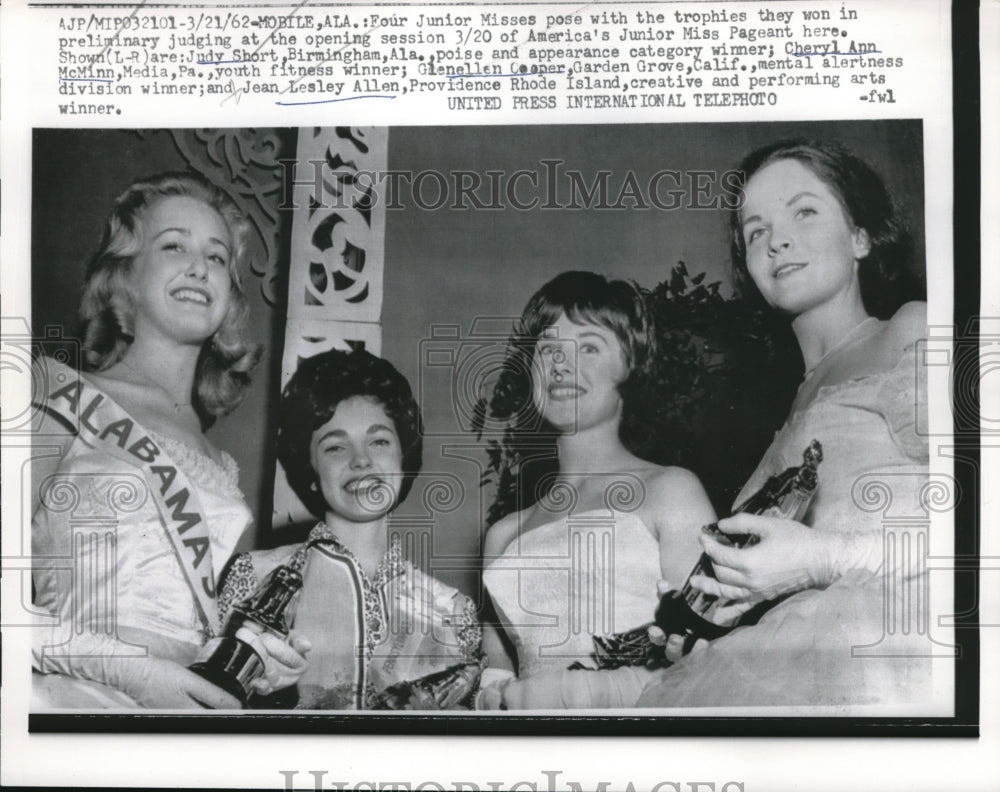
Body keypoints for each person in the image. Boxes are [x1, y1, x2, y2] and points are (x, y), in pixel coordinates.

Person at [635, 139, 934, 707]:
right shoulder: (778, 421)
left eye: (804, 210)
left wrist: (818, 561)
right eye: (755, 230)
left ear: (861, 237)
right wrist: (716, 626)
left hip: (899, 653)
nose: (777, 239)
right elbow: (781, 578)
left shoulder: (912, 332)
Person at [31, 171, 308, 709]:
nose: (199, 266)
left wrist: (257, 662)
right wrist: (134, 674)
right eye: (174, 245)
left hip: (182, 712)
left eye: (217, 256)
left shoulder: (218, 463)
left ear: (228, 296)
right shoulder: (54, 396)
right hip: (75, 702)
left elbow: (188, 626)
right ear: (125, 276)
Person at [477, 271, 716, 709]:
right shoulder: (502, 535)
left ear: (630, 363)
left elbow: (703, 663)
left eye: (588, 346)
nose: (561, 364)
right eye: (547, 348)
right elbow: (495, 683)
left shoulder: (671, 491)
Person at [218, 349, 483, 710]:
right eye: (335, 447)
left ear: (402, 457)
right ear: (310, 471)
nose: (361, 460)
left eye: (379, 441)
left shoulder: (454, 612)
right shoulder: (254, 575)